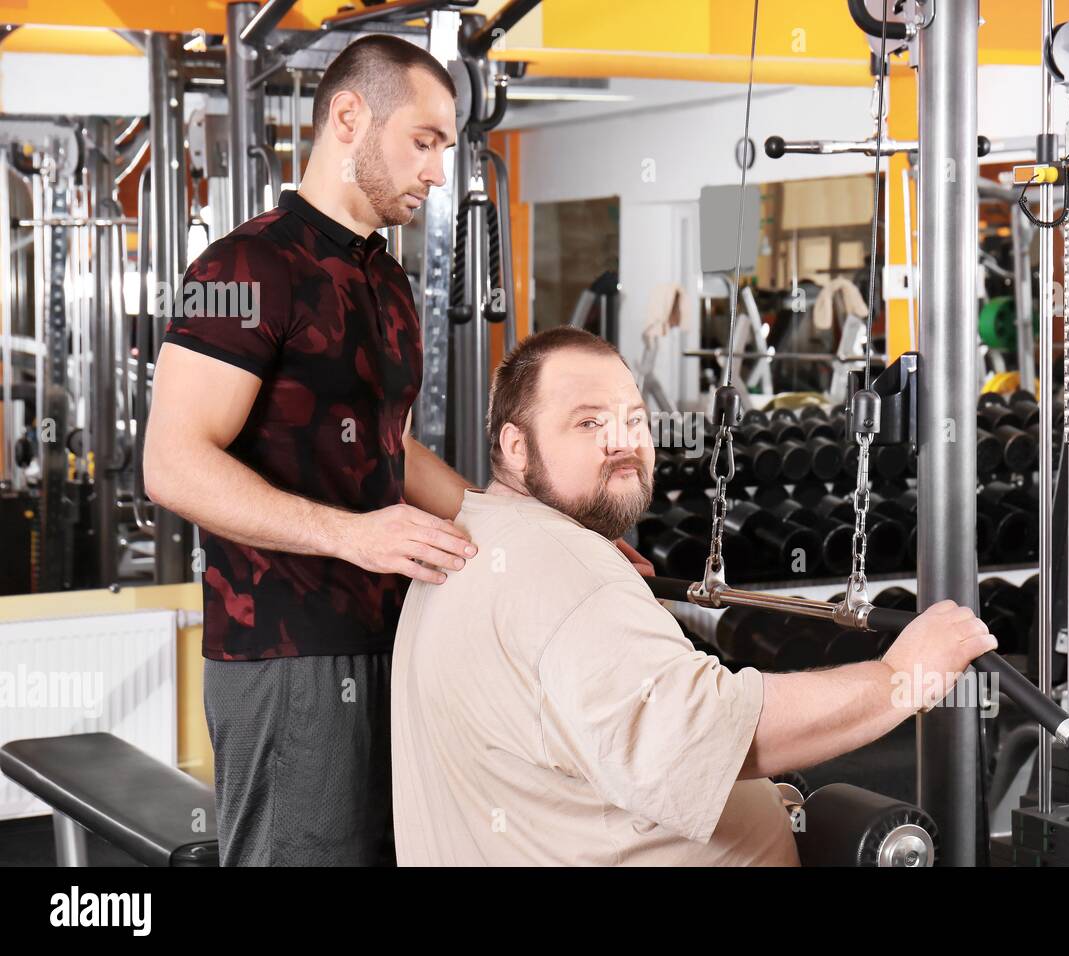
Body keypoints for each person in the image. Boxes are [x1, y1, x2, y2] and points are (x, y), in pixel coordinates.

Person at [390, 326, 997, 865]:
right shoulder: (567, 574)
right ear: (516, 447)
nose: (621, 441)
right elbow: (709, 735)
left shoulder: (475, 537)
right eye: (588, 422)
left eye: (634, 419)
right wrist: (903, 676)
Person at [145, 34, 475, 866]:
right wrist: (352, 535)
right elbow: (173, 462)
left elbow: (391, 448)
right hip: (289, 649)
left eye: (445, 149)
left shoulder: (387, 280)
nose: (438, 173)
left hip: (394, 635)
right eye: (424, 143)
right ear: (349, 116)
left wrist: (522, 527)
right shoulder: (242, 264)